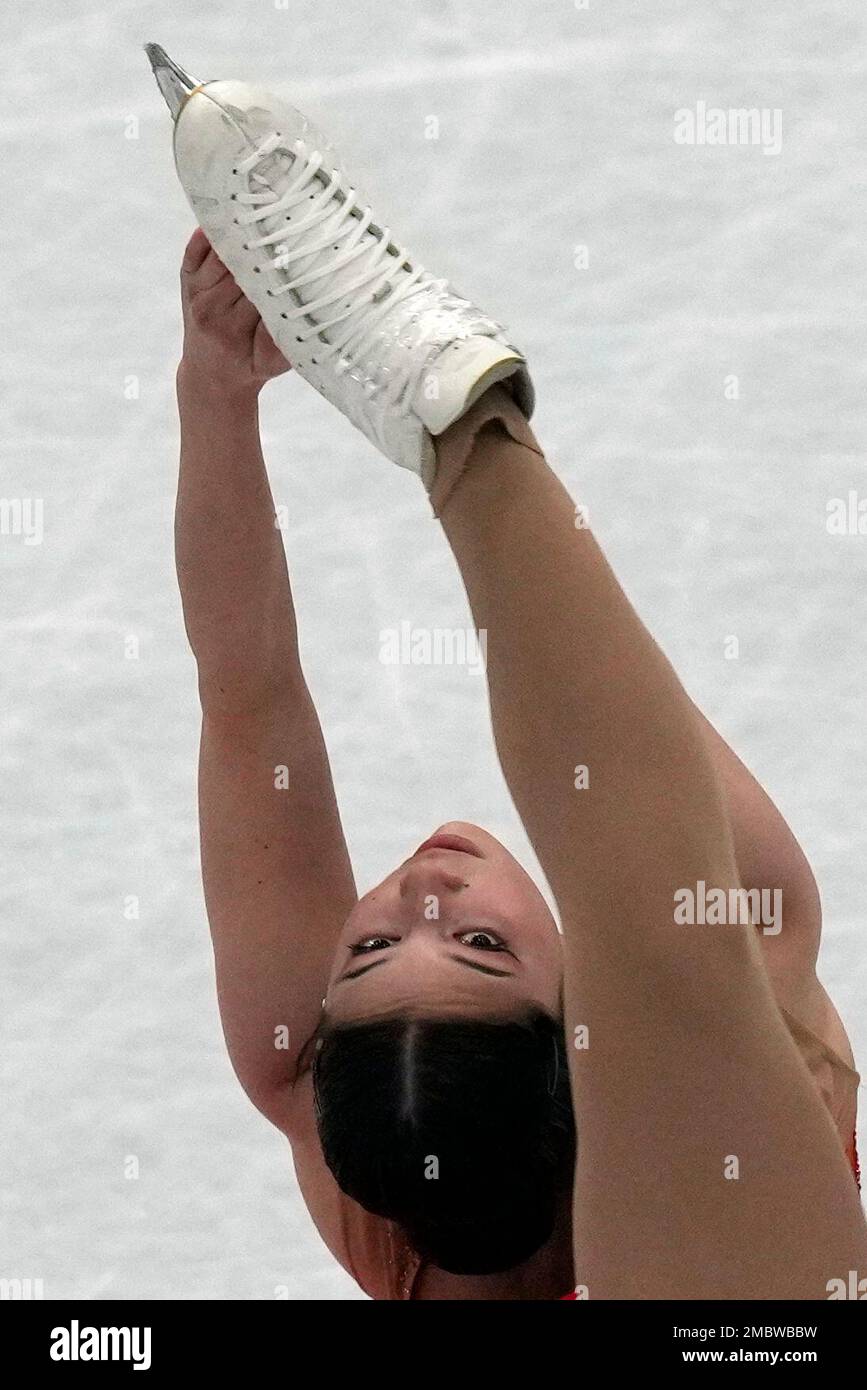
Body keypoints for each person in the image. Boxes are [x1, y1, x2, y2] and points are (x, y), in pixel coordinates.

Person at [163, 62, 867, 1299]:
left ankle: (458, 424)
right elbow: (660, 894)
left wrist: (215, 392)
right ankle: (451, 413)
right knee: (700, 929)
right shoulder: (747, 1135)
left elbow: (246, 701)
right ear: (582, 1060)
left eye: (372, 941)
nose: (421, 886)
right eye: (478, 941)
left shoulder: (336, 1123)